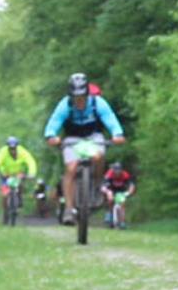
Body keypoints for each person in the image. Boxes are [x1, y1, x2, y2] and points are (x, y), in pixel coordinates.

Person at [42, 73, 125, 215]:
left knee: (98, 157)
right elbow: (54, 121)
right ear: (71, 95)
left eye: (82, 96)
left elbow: (110, 118)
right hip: (72, 139)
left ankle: (98, 184)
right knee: (71, 168)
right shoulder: (65, 104)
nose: (79, 100)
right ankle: (69, 208)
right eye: (75, 97)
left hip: (93, 137)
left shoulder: (98, 102)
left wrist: (117, 134)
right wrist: (51, 136)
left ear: (88, 94)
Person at [0, 136, 37, 218]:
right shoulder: (3, 152)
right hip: (6, 174)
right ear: (7, 147)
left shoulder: (22, 151)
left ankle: (19, 196)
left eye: (14, 148)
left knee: (20, 182)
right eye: (10, 148)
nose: (12, 150)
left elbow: (30, 160)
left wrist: (31, 173)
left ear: (16, 146)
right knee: (4, 195)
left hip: (17, 173)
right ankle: (5, 211)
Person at [102, 159, 135, 224]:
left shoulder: (125, 174)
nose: (117, 173)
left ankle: (122, 221)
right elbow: (104, 185)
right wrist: (107, 191)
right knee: (110, 199)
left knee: (122, 203)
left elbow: (131, 184)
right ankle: (109, 213)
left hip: (121, 190)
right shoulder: (109, 173)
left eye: (119, 171)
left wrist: (130, 191)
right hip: (110, 188)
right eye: (116, 171)